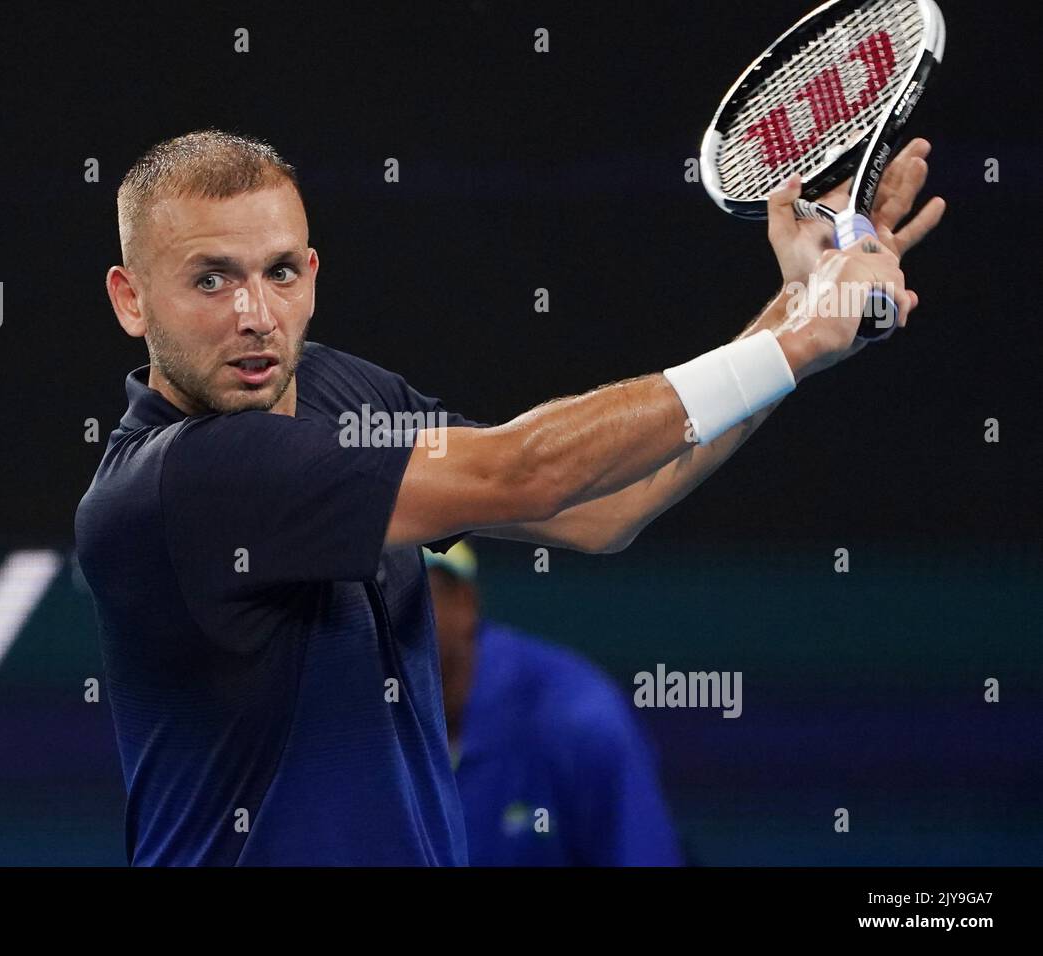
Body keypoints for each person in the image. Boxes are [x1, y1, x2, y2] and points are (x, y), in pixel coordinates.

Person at [74, 129, 943, 865]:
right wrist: (794, 337)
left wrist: (795, 318)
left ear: (312, 271)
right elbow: (522, 470)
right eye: (211, 280)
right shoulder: (181, 483)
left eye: (279, 273)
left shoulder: (340, 390)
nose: (256, 314)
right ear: (130, 301)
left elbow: (599, 508)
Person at [426, 541, 682, 866]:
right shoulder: (353, 721)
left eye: (398, 596)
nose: (377, 621)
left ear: (464, 602)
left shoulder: (580, 718)